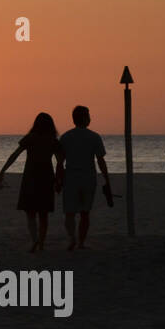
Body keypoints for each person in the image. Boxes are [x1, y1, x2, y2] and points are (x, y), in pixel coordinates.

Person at [0, 112, 64, 252]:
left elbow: (14, 155)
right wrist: (59, 180)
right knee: (43, 214)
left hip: (30, 177)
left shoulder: (30, 138)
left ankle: (35, 240)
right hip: (46, 177)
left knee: (30, 213)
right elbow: (60, 162)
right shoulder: (52, 140)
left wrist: (2, 171)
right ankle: (42, 244)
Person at [57, 105, 111, 250]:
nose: (90, 118)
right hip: (88, 177)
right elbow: (100, 160)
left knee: (69, 212)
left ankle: (71, 238)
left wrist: (59, 179)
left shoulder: (66, 137)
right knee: (84, 212)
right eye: (88, 115)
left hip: (71, 178)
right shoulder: (94, 137)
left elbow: (60, 162)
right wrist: (106, 178)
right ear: (85, 118)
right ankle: (81, 242)